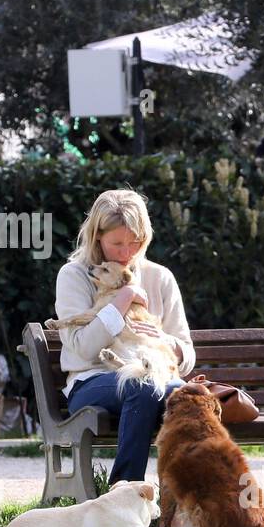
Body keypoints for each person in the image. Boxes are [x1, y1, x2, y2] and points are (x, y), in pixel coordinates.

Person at [54, 189, 195, 486]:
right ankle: (125, 490)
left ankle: (187, 497)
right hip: (92, 379)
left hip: (157, 375)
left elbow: (186, 353)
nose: (127, 253)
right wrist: (122, 300)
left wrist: (166, 342)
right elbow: (83, 348)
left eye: (136, 242)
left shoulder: (160, 277)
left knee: (190, 399)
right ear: (97, 237)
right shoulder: (74, 275)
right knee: (141, 385)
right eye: (117, 243)